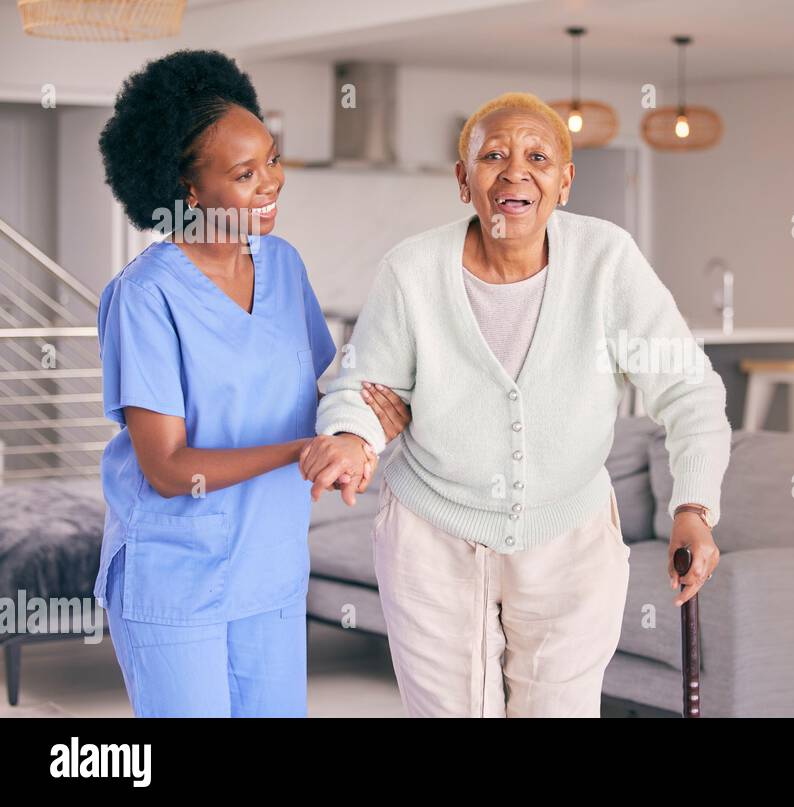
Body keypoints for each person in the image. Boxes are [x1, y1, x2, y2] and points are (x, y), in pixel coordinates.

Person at [300, 91, 732, 717]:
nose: (515, 171)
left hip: (571, 533)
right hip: (432, 531)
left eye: (538, 156)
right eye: (493, 156)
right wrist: (351, 437)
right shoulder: (413, 270)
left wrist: (694, 505)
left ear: (564, 182)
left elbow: (689, 388)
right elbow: (364, 386)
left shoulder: (606, 262)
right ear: (462, 180)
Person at [94, 49, 407, 717]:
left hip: (270, 567)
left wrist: (363, 426)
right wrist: (300, 451)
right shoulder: (146, 297)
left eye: (271, 158)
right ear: (188, 191)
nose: (271, 182)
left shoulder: (284, 266)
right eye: (244, 173)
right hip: (176, 578)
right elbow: (169, 468)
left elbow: (313, 395)